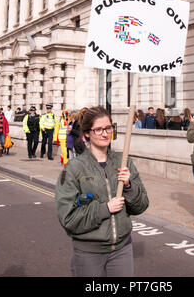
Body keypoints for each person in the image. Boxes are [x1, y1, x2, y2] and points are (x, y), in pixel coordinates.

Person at [55, 106, 149, 277]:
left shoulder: (123, 161)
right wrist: (104, 209)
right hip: (88, 253)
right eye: (98, 129)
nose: (105, 134)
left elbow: (141, 206)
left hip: (123, 249)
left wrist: (128, 186)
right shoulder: (74, 168)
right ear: (87, 134)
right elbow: (68, 218)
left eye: (108, 128)